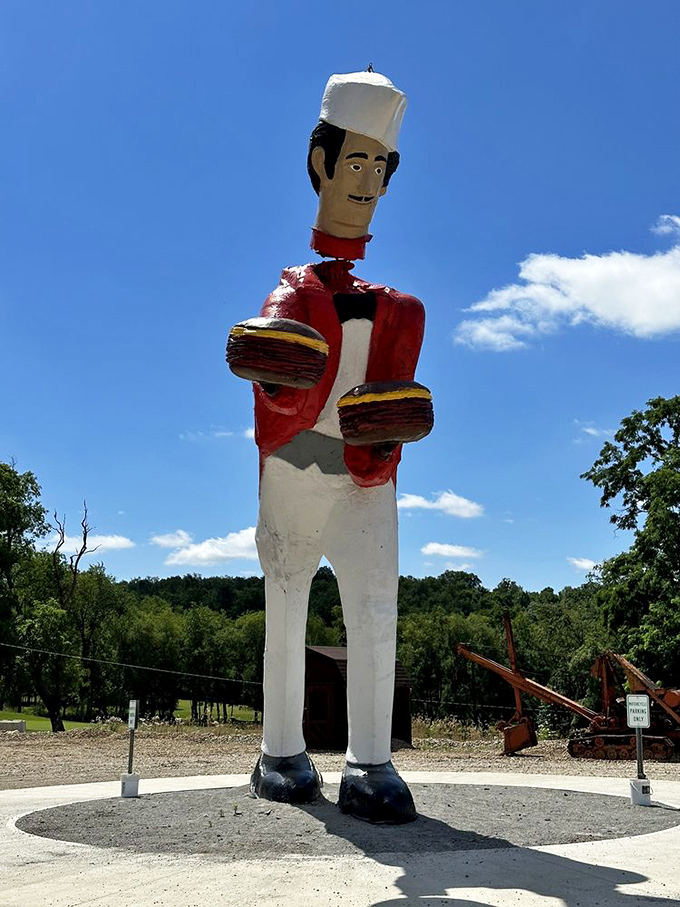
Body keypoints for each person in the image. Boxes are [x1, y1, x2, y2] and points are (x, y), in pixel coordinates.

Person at [240, 70, 427, 823]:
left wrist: (384, 443)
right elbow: (272, 391)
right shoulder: (293, 294)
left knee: (375, 607)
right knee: (286, 600)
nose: (369, 183)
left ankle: (370, 761)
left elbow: (393, 399)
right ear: (320, 163)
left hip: (367, 477)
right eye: (356, 163)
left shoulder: (399, 310)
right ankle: (280, 748)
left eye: (380, 169)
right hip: (293, 467)